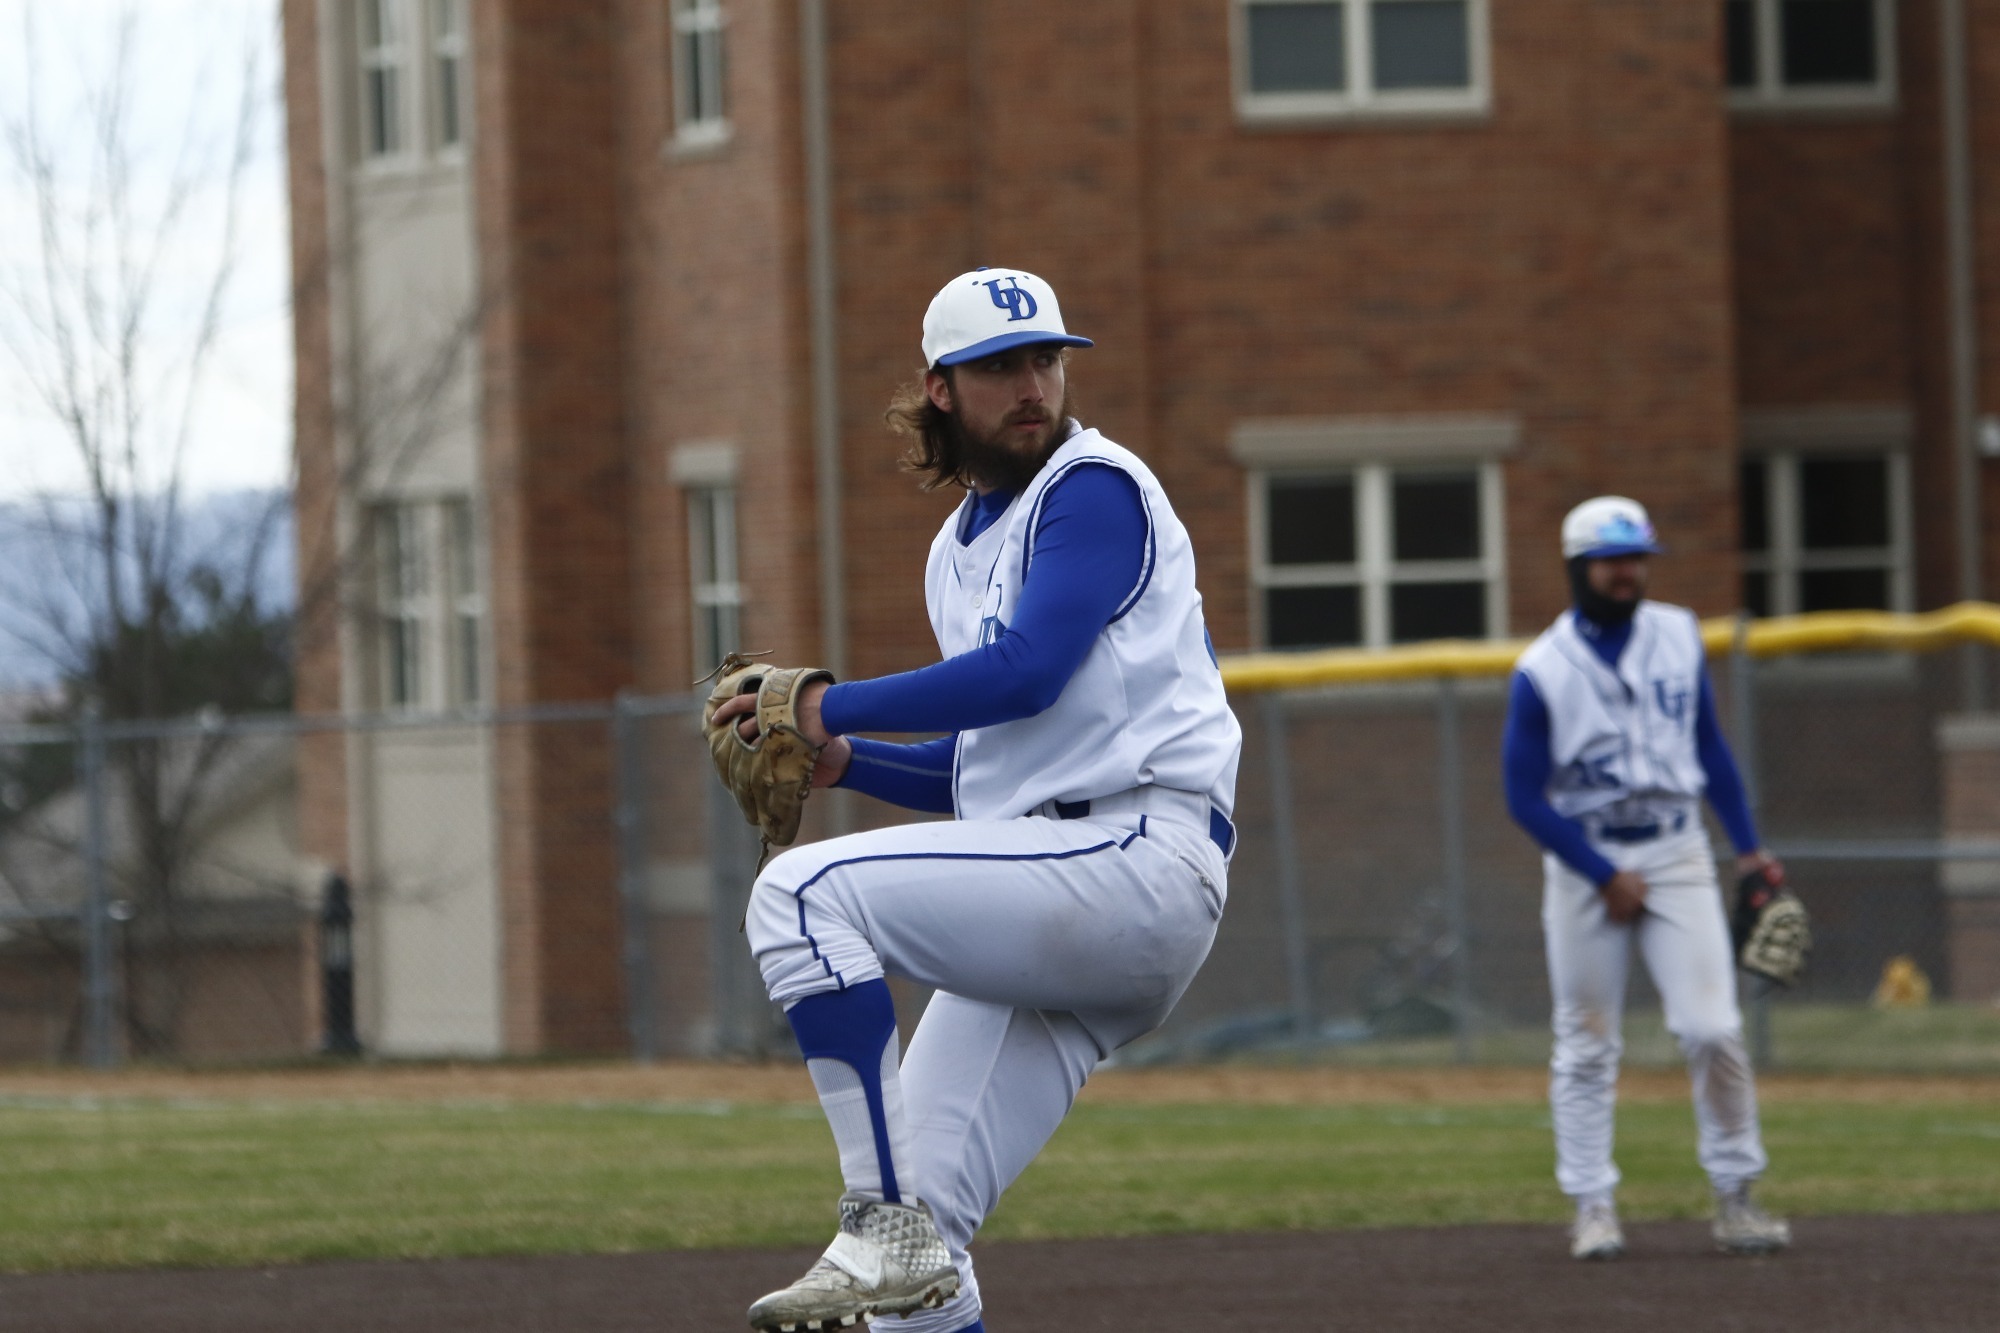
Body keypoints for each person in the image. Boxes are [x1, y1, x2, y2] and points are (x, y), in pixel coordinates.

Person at [713, 266, 1240, 1333]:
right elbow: (986, 770)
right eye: (999, 366)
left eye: (1045, 357)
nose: (1032, 382)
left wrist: (825, 702)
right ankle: (900, 1238)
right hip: (1064, 890)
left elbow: (1026, 672)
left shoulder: (1091, 489)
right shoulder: (952, 557)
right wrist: (846, 760)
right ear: (939, 388)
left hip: (1136, 859)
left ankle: (875, 1217)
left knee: (800, 896)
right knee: (919, 1278)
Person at [1502, 496, 1791, 1262]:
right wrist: (1602, 874)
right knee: (1587, 1043)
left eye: (1637, 557)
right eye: (1614, 558)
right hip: (1585, 857)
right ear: (1579, 567)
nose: (1629, 572)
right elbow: (1523, 797)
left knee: (1712, 1028)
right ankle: (1592, 1205)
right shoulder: (1542, 670)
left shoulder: (1677, 634)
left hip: (1675, 849)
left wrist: (1750, 848)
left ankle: (1737, 1197)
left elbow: (1711, 749)